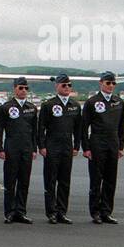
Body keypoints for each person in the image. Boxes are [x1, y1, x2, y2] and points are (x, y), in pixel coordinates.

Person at [82, 71, 124, 224]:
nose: (111, 86)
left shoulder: (119, 102)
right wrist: (86, 148)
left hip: (113, 145)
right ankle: (95, 212)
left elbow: (122, 126)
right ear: (101, 83)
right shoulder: (92, 102)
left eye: (113, 83)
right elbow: (83, 127)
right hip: (97, 145)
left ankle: (106, 212)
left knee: (110, 180)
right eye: (108, 83)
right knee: (96, 180)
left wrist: (121, 146)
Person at [37, 73, 82, 224]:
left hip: (67, 146)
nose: (67, 88)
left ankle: (62, 211)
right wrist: (42, 146)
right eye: (64, 85)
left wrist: (76, 146)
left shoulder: (75, 106)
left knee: (64, 181)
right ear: (57, 86)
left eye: (69, 85)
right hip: (52, 146)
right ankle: (51, 212)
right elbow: (41, 127)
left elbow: (78, 129)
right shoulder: (48, 105)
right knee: (50, 181)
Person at [0, 77, 38, 223]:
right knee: (10, 181)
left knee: (24, 181)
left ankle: (21, 211)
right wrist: (0, 148)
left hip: (27, 148)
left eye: (26, 88)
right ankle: (9, 212)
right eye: (21, 88)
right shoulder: (5, 107)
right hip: (11, 147)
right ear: (15, 89)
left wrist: (34, 148)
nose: (24, 91)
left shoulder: (32, 108)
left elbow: (34, 131)